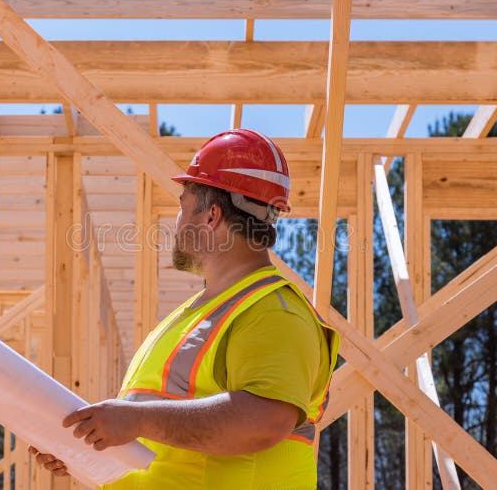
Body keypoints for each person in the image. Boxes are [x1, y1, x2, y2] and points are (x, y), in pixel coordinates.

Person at [30, 129, 339, 489]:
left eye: (183, 206)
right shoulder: (196, 315)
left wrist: (136, 420)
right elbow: (159, 442)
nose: (176, 221)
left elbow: (265, 422)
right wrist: (85, 448)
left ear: (211, 216)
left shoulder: (275, 313)